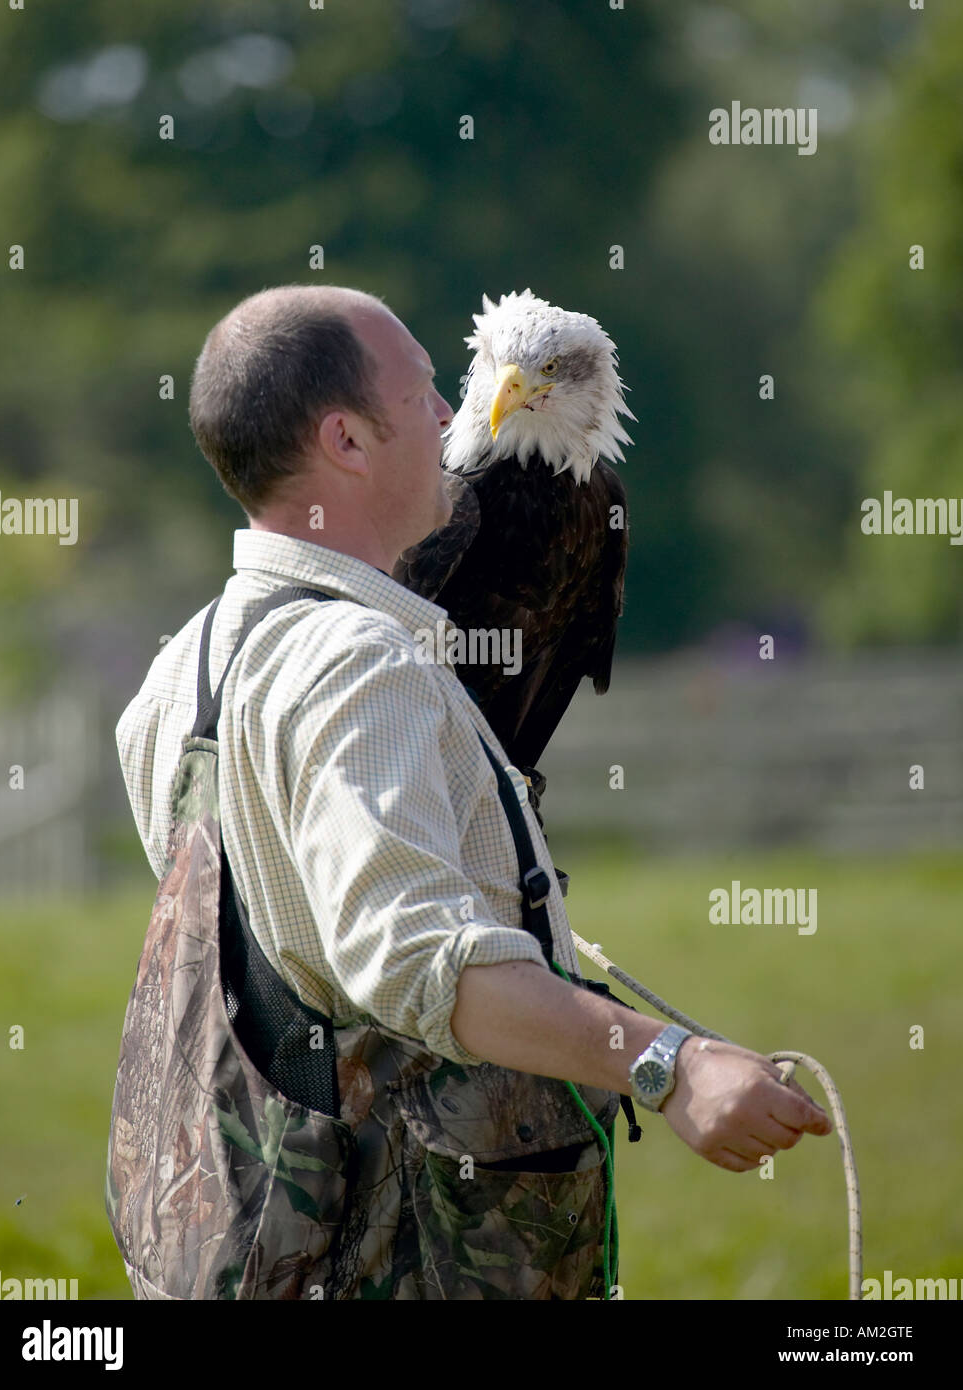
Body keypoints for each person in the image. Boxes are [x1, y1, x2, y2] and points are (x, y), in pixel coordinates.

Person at [114, 283, 833, 1299]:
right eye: (422, 397)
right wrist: (669, 1062)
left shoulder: (176, 677)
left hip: (237, 1236)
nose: (456, 414)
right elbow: (421, 960)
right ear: (347, 442)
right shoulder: (369, 669)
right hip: (398, 1247)